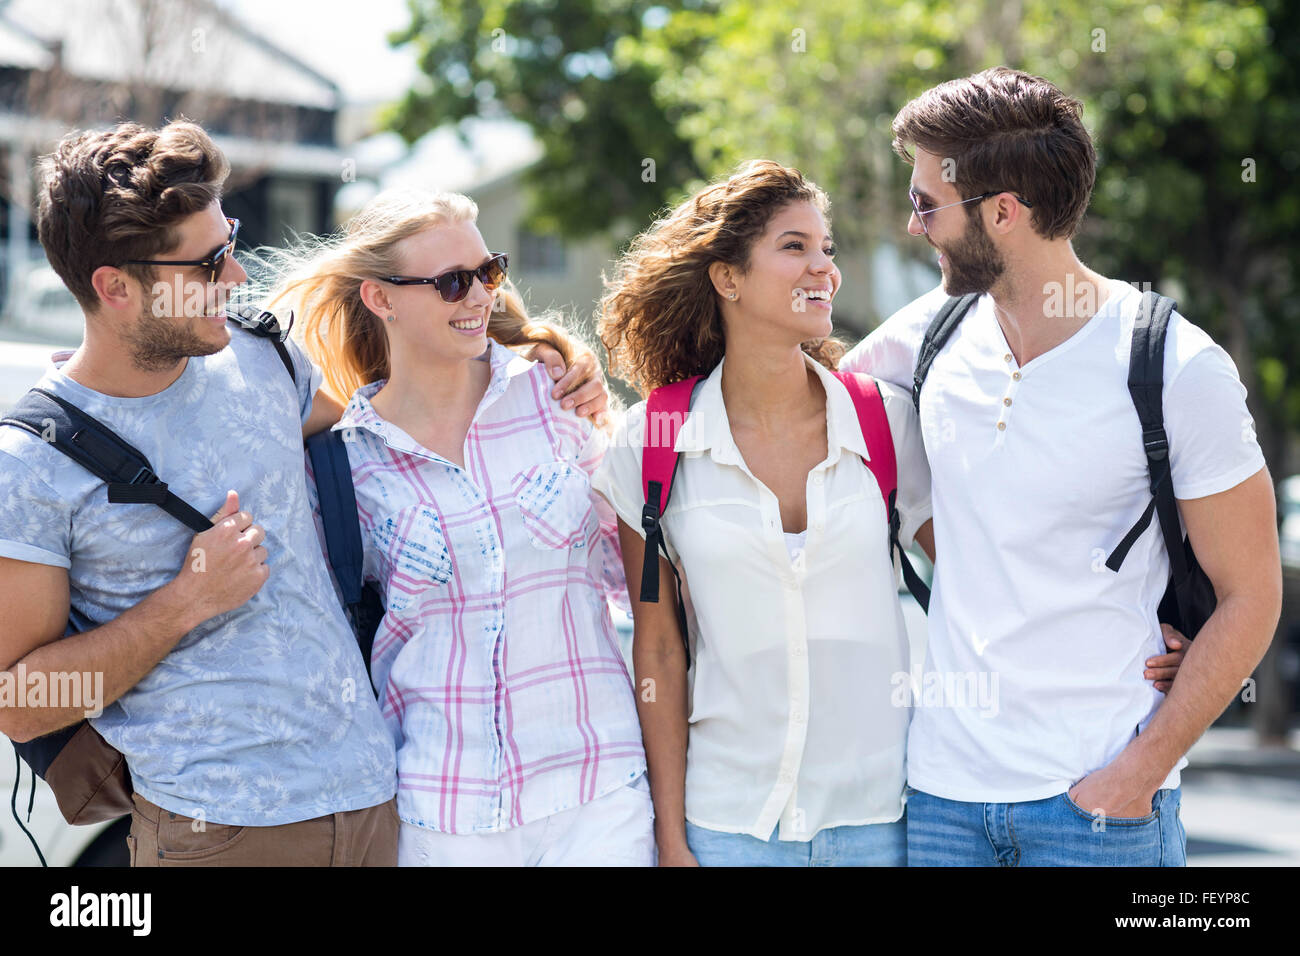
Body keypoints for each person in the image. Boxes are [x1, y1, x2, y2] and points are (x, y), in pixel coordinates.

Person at [0, 121, 607, 866]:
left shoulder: (262, 360)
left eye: (234, 242)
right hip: (220, 834)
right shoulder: (32, 464)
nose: (236, 277)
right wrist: (185, 600)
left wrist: (547, 357)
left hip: (377, 806)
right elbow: (18, 705)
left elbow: (401, 422)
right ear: (116, 288)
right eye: (210, 262)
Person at [840, 67, 1281, 866]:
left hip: (1100, 809)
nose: (915, 226)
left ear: (1003, 212)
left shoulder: (1175, 366)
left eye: (925, 202)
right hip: (943, 801)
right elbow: (783, 393)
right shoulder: (925, 339)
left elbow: (1253, 595)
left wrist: (1135, 777)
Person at [263, 189, 654, 867]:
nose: (478, 297)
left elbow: (633, 583)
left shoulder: (557, 400)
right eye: (450, 283)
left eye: (489, 272)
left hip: (600, 795)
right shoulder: (341, 463)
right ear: (380, 299)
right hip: (442, 814)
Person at [592, 160, 935, 866]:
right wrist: (670, 834)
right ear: (728, 278)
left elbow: (977, 583)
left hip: (882, 818)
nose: (824, 269)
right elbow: (655, 647)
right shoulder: (655, 440)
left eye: (827, 249)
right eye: (794, 246)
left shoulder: (884, 422)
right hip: (727, 823)